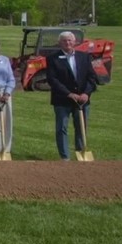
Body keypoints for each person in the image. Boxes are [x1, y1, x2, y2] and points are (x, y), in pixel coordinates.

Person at [45, 30, 99, 159]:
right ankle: (65, 157)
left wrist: (86, 93)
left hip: (82, 100)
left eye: (69, 40)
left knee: (81, 127)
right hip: (62, 100)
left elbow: (92, 78)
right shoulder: (52, 58)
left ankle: (80, 152)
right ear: (59, 43)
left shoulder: (84, 57)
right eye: (64, 40)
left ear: (74, 42)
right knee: (61, 128)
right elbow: (52, 79)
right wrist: (68, 94)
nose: (67, 43)